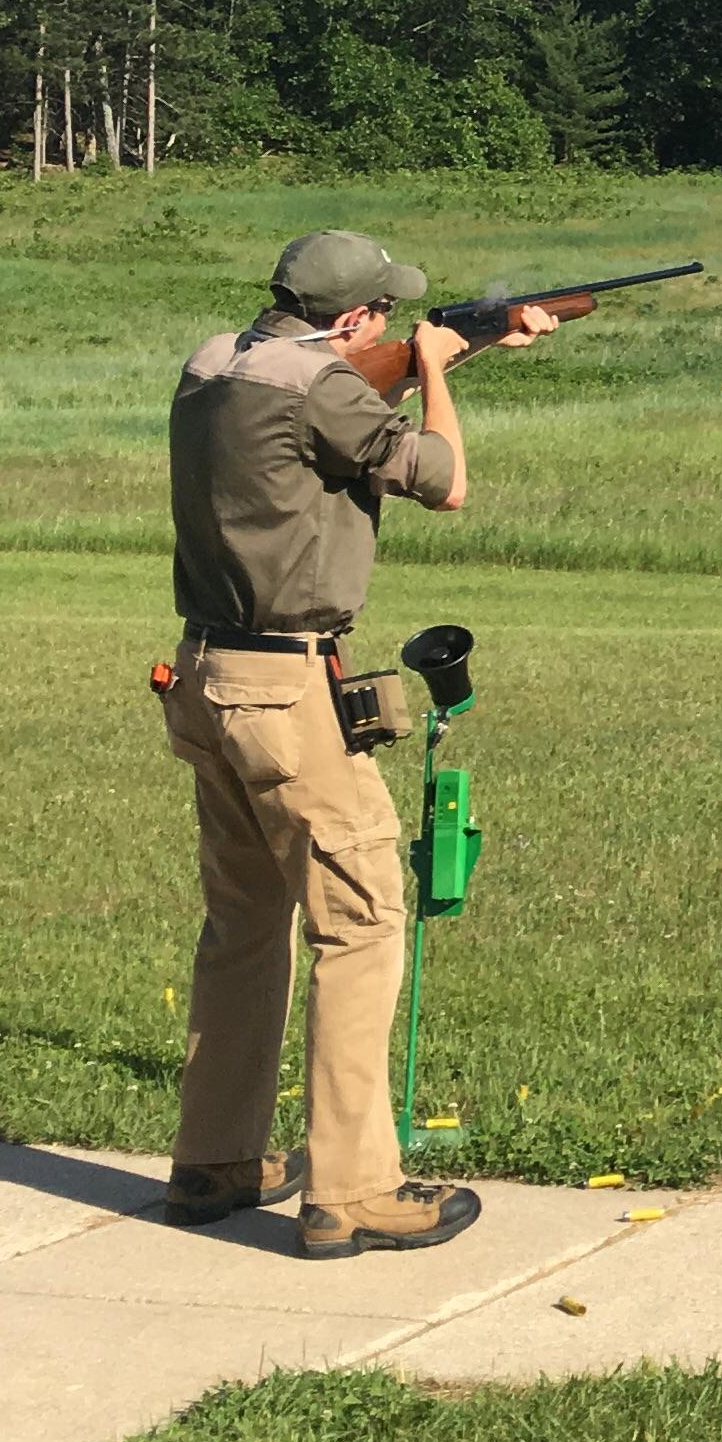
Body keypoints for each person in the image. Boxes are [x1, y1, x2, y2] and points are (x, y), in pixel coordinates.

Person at [159, 229, 555, 1257]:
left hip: (206, 676)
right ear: (353, 320)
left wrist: (449, 354)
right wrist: (430, 371)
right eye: (379, 314)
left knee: (244, 925)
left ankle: (216, 1160)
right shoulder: (325, 385)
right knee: (363, 916)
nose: (385, 322)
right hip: (286, 690)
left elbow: (316, 433)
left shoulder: (214, 362)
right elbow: (444, 479)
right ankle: (354, 1190)